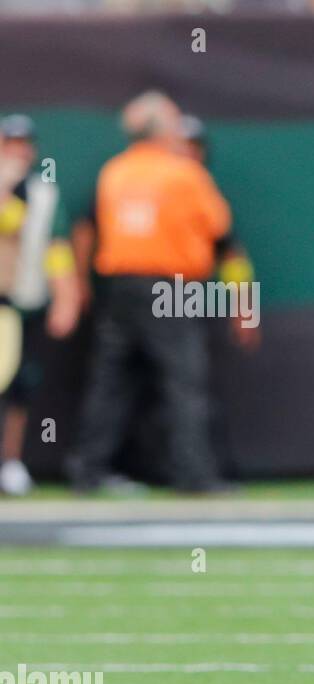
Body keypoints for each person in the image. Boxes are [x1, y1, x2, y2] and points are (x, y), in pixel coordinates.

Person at [66, 91, 233, 494]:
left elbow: (86, 229)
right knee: (184, 382)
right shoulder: (184, 174)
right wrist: (241, 301)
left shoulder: (114, 171)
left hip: (121, 287)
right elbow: (221, 232)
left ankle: (87, 471)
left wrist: (81, 282)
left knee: (111, 381)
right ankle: (193, 475)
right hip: (171, 287)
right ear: (160, 130)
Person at [0, 114, 79, 496]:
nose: (16, 152)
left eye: (22, 144)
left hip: (23, 302)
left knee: (19, 386)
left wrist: (66, 296)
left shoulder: (43, 193)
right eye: (8, 144)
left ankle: (10, 462)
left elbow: (57, 248)